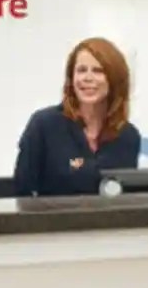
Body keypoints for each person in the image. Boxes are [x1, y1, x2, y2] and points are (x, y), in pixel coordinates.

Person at [13, 37, 141, 196]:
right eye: (81, 70)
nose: (87, 78)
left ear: (115, 79)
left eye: (98, 71)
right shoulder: (44, 125)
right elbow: (21, 193)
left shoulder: (128, 136)